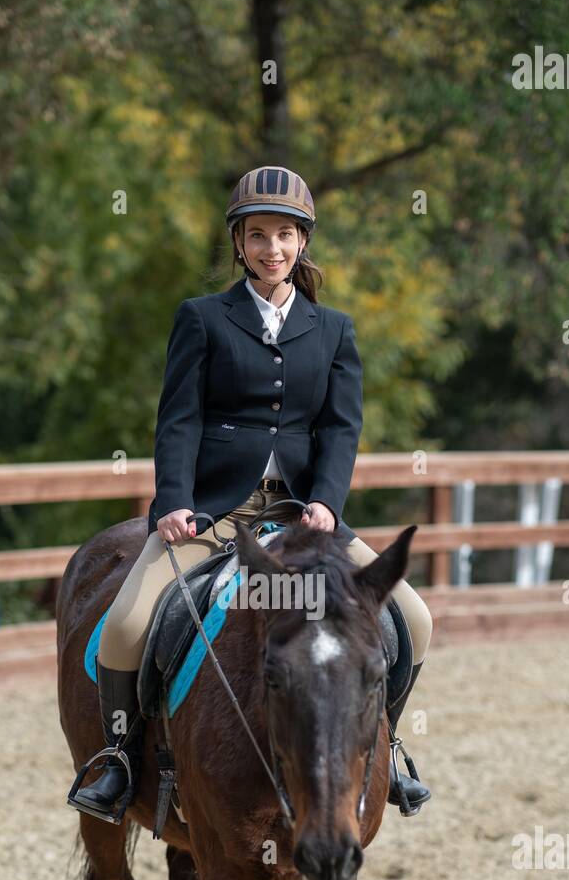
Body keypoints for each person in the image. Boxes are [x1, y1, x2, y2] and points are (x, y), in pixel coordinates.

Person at [70, 166, 432, 823]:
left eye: (285, 236)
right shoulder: (202, 318)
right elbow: (179, 418)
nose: (273, 249)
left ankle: (386, 749)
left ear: (302, 243)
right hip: (211, 512)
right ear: (239, 244)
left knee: (416, 619)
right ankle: (119, 758)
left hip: (303, 515)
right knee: (123, 626)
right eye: (259, 235)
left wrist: (326, 498)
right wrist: (173, 501)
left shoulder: (334, 330)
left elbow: (339, 428)